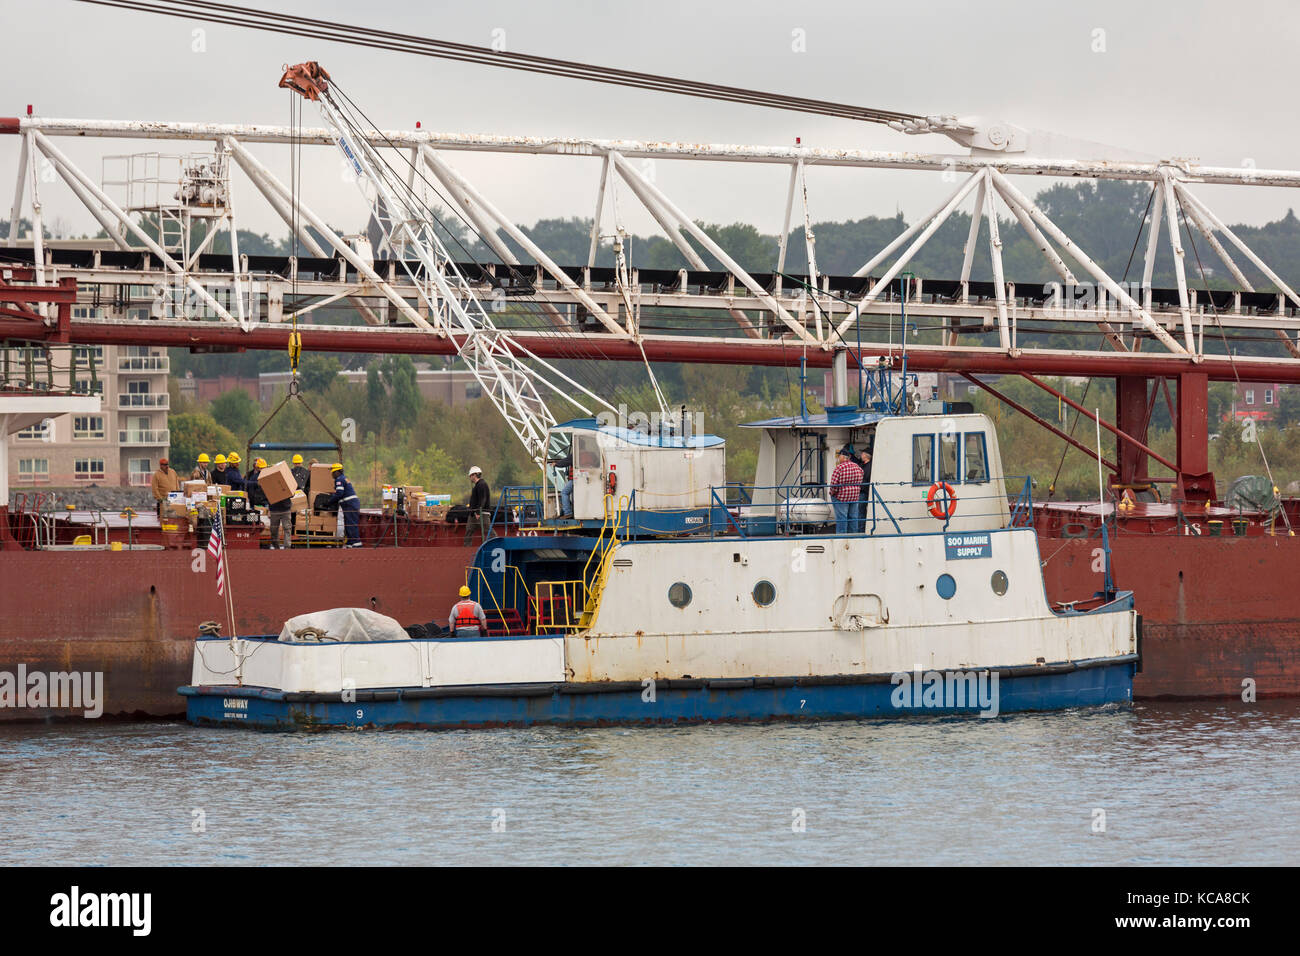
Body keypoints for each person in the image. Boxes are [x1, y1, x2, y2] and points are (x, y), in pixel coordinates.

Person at [325, 462, 363, 548]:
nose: (332, 474)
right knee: (348, 523)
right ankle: (350, 542)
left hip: (350, 504)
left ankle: (356, 543)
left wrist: (329, 502)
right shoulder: (343, 478)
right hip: (350, 504)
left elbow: (339, 493)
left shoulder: (339, 479)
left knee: (351, 523)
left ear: (337, 472)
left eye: (333, 472)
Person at [829, 445, 863, 535]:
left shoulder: (839, 468)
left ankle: (841, 535)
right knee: (853, 517)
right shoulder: (857, 466)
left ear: (843, 457)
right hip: (854, 496)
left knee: (842, 517)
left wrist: (832, 493)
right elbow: (861, 479)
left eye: (839, 456)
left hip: (842, 497)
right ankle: (853, 535)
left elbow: (834, 485)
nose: (838, 458)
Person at [266, 460, 293, 550]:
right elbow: (266, 495)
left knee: (287, 529)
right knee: (273, 531)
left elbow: (293, 493)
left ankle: (287, 548)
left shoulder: (286, 479)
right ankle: (276, 547)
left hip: (285, 509)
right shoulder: (269, 482)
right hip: (274, 509)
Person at [463, 465, 493, 545]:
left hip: (482, 513)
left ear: (474, 475)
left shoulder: (481, 484)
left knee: (488, 530)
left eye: (471, 475)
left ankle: (497, 544)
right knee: (469, 531)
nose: (470, 477)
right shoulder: (478, 485)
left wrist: (479, 512)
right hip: (474, 513)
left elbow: (483, 499)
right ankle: (466, 548)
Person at [857, 446, 873, 532]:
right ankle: (860, 529)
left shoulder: (869, 467)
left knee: (861, 512)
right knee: (860, 512)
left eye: (862, 453)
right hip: (861, 491)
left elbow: (866, 478)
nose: (861, 454)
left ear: (866, 455)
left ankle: (860, 530)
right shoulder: (863, 465)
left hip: (863, 492)